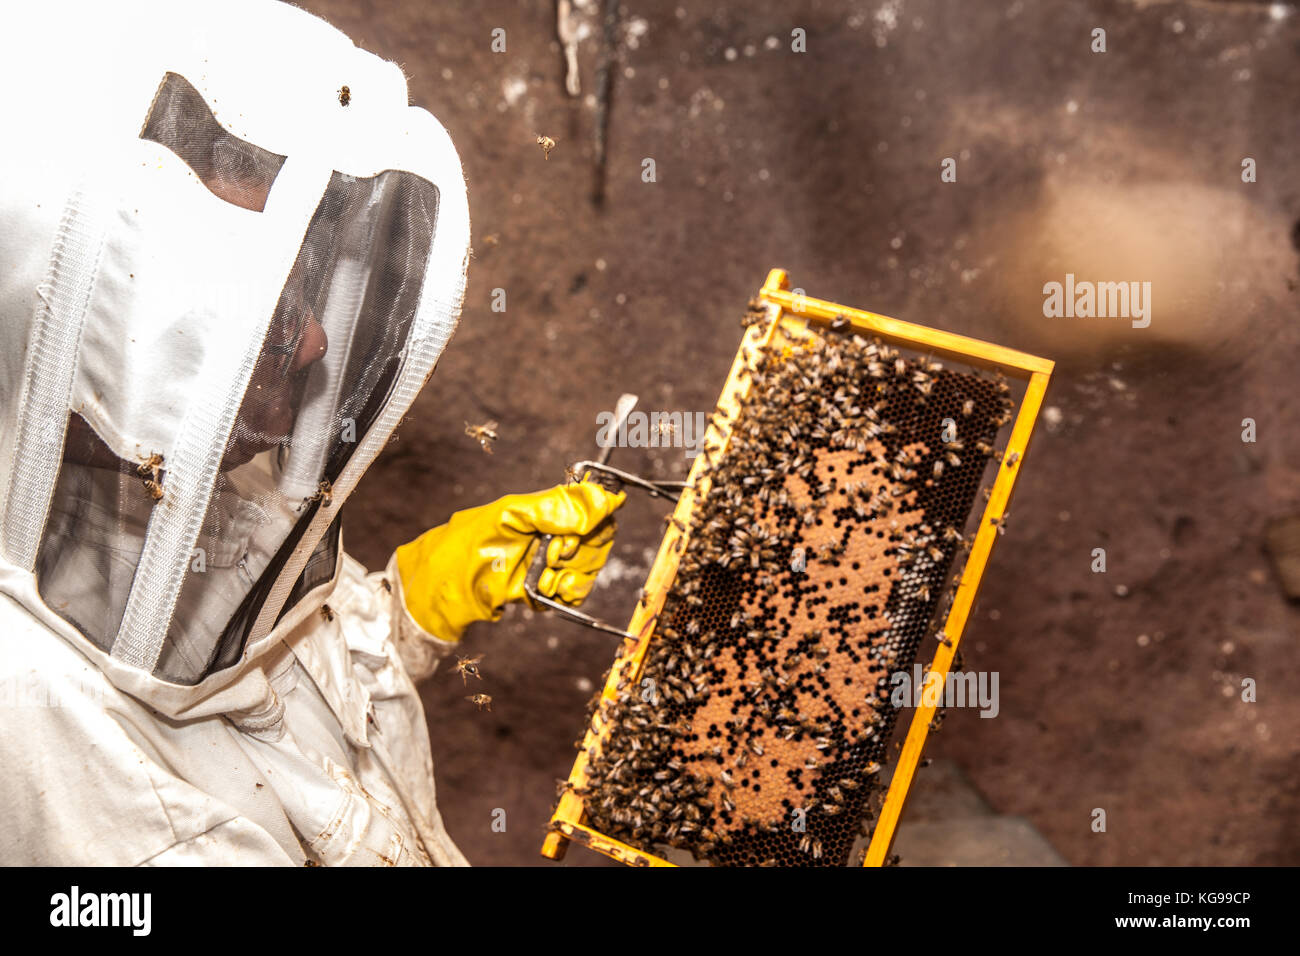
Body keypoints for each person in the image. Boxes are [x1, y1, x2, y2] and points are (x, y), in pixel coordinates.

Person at [0, 0, 624, 865]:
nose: (319, 339)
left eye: (304, 288)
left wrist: (408, 608)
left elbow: (252, 666)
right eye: (259, 301)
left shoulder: (129, 464)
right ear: (88, 314)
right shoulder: (50, 753)